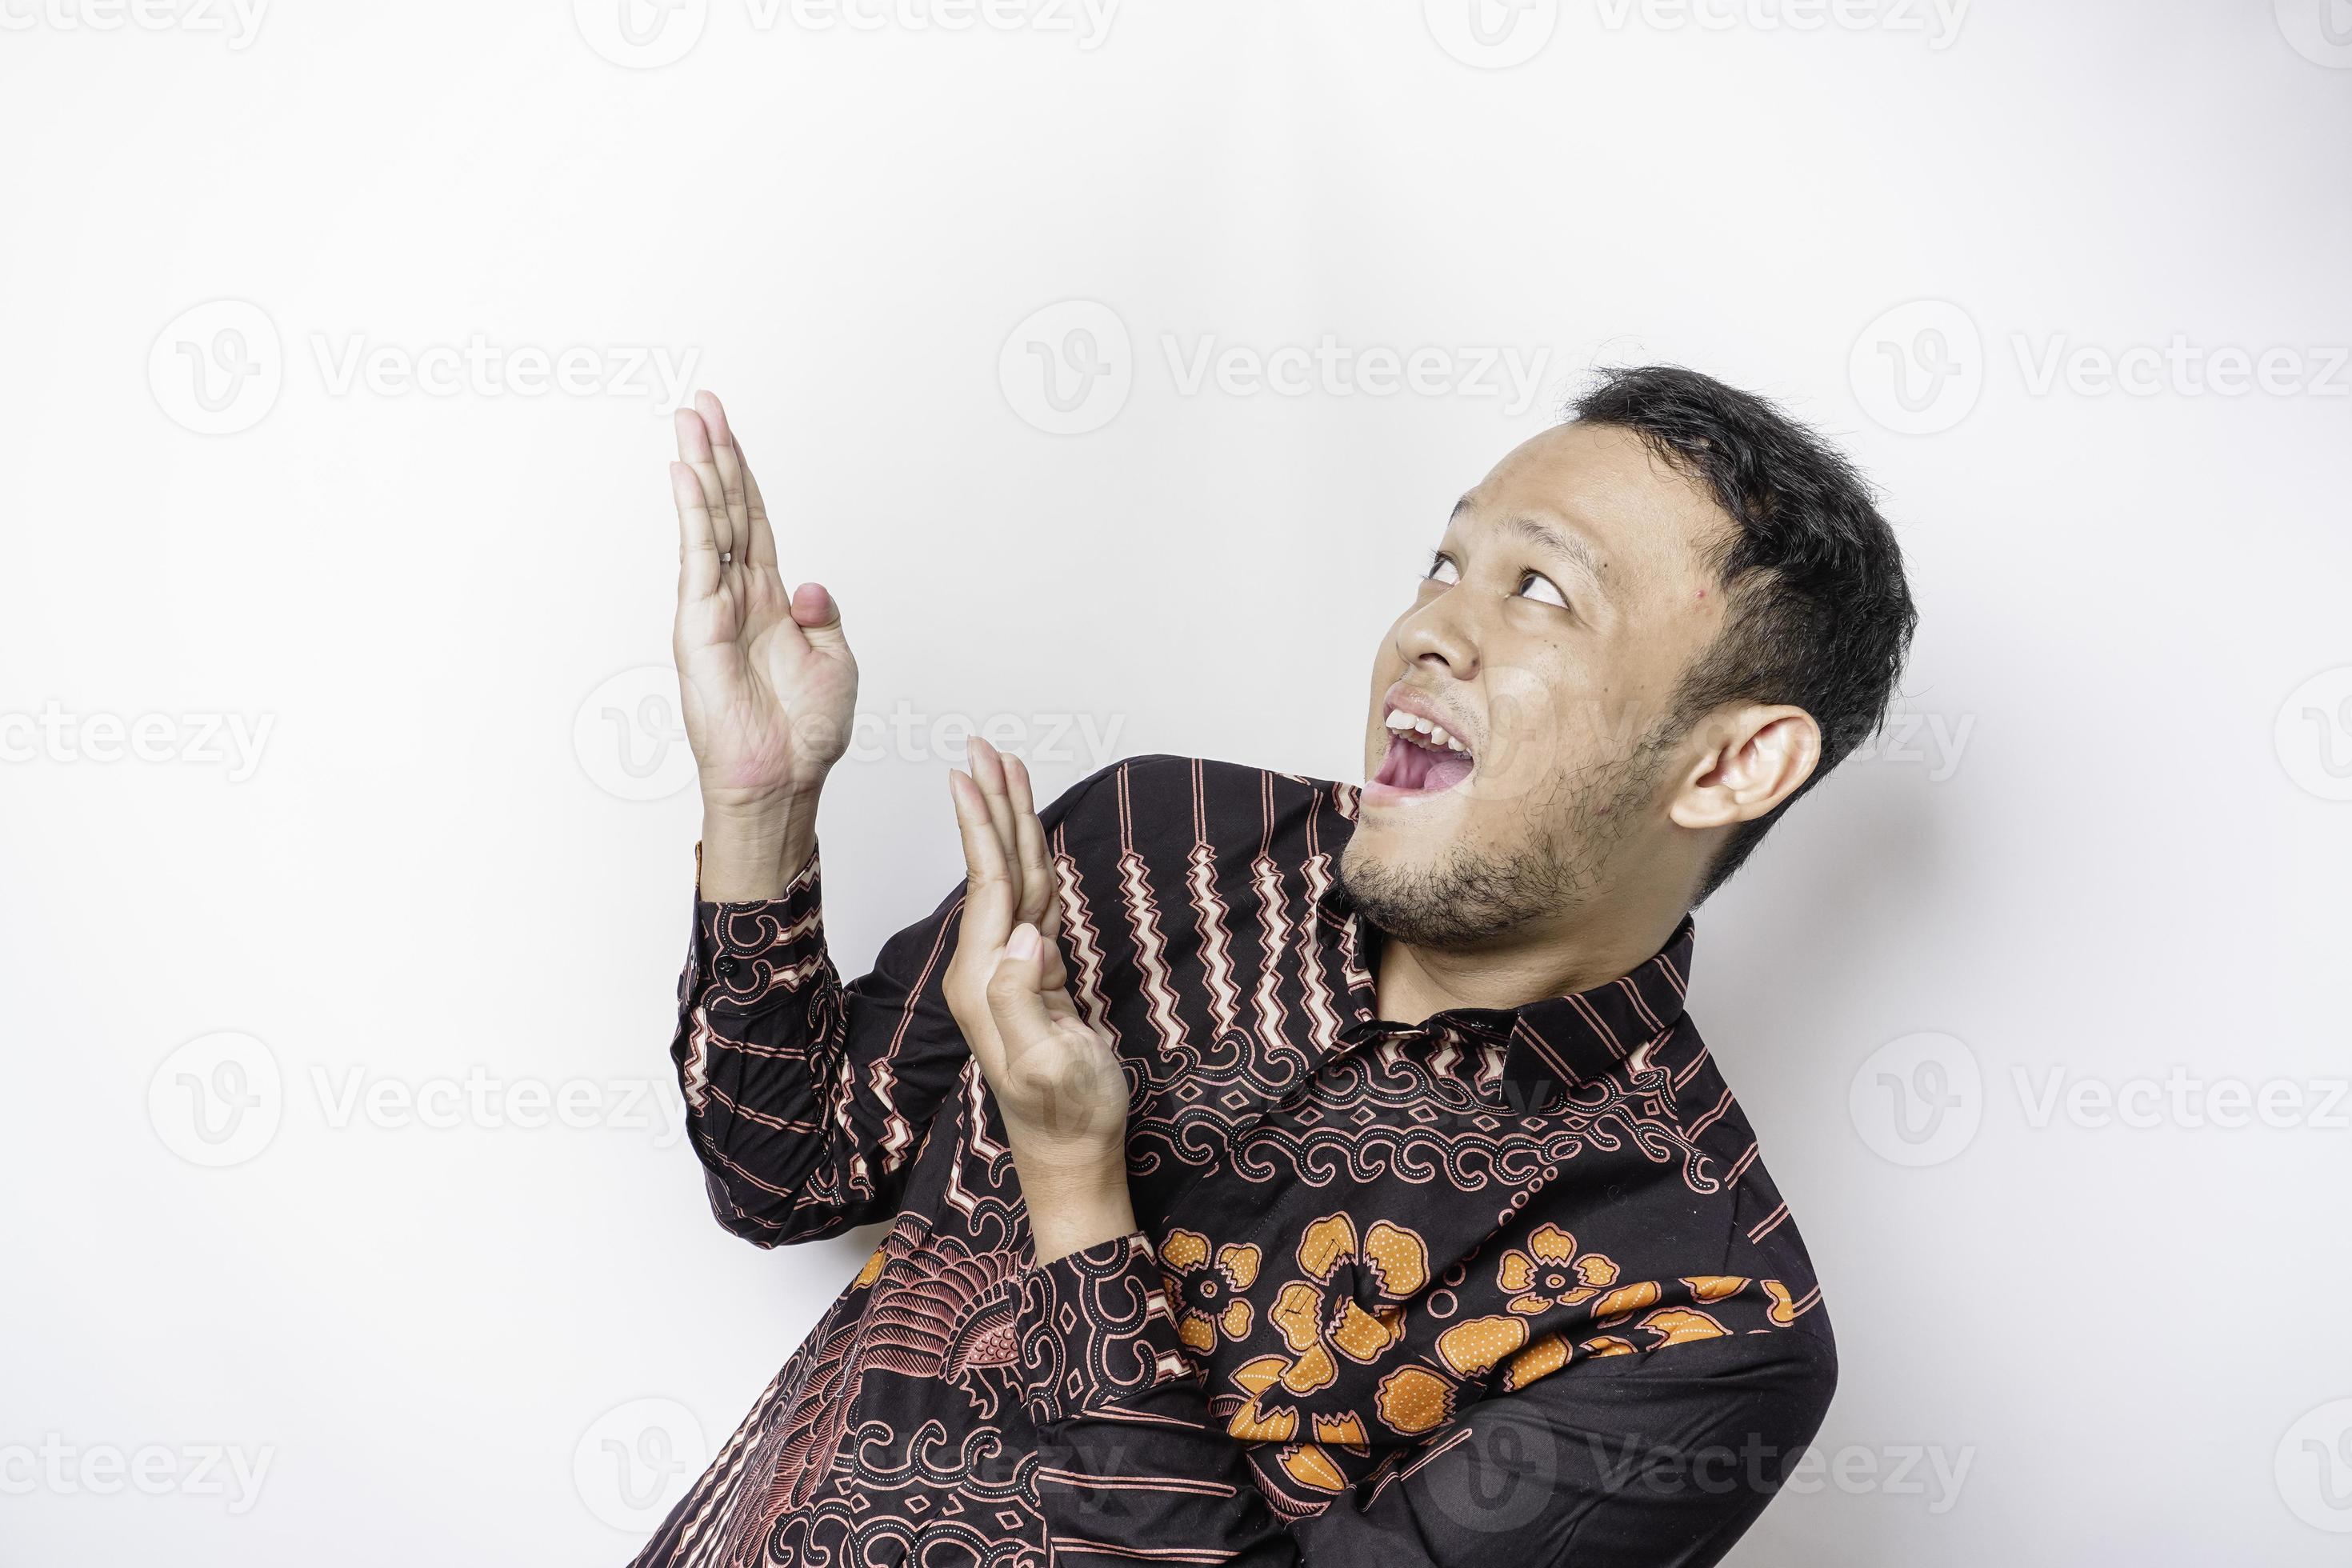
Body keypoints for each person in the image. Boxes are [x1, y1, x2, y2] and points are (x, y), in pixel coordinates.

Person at [630, 366, 1915, 1566]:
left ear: (1731, 764)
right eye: (1445, 562)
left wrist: (1076, 1187)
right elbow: (781, 1169)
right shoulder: (1152, 847)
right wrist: (759, 805)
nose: (1432, 628)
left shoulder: (1702, 1314)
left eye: (1540, 593)